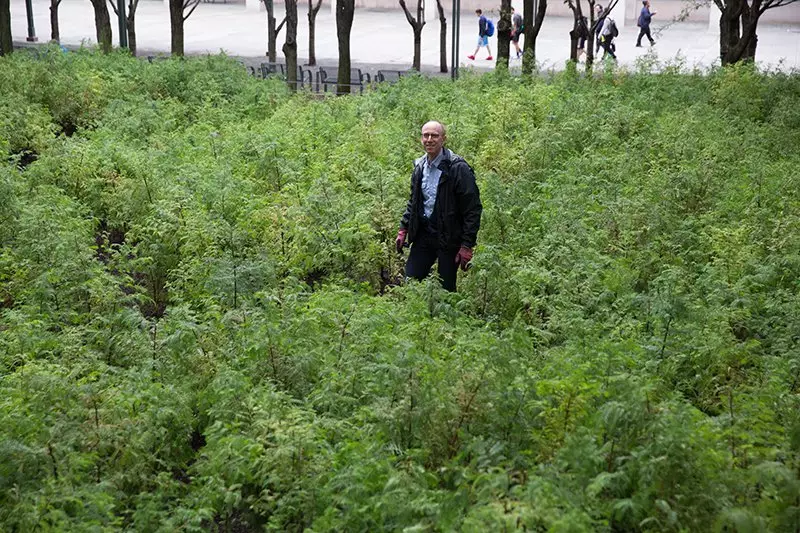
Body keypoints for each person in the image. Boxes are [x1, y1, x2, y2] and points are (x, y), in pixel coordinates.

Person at [395, 121, 482, 292]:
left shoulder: (458, 169)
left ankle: (448, 319)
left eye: (434, 135)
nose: (429, 139)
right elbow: (415, 201)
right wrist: (403, 228)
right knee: (411, 283)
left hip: (449, 237)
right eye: (425, 135)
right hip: (424, 234)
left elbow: (472, 209)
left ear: (443, 139)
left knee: (446, 289)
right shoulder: (419, 167)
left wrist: (466, 245)